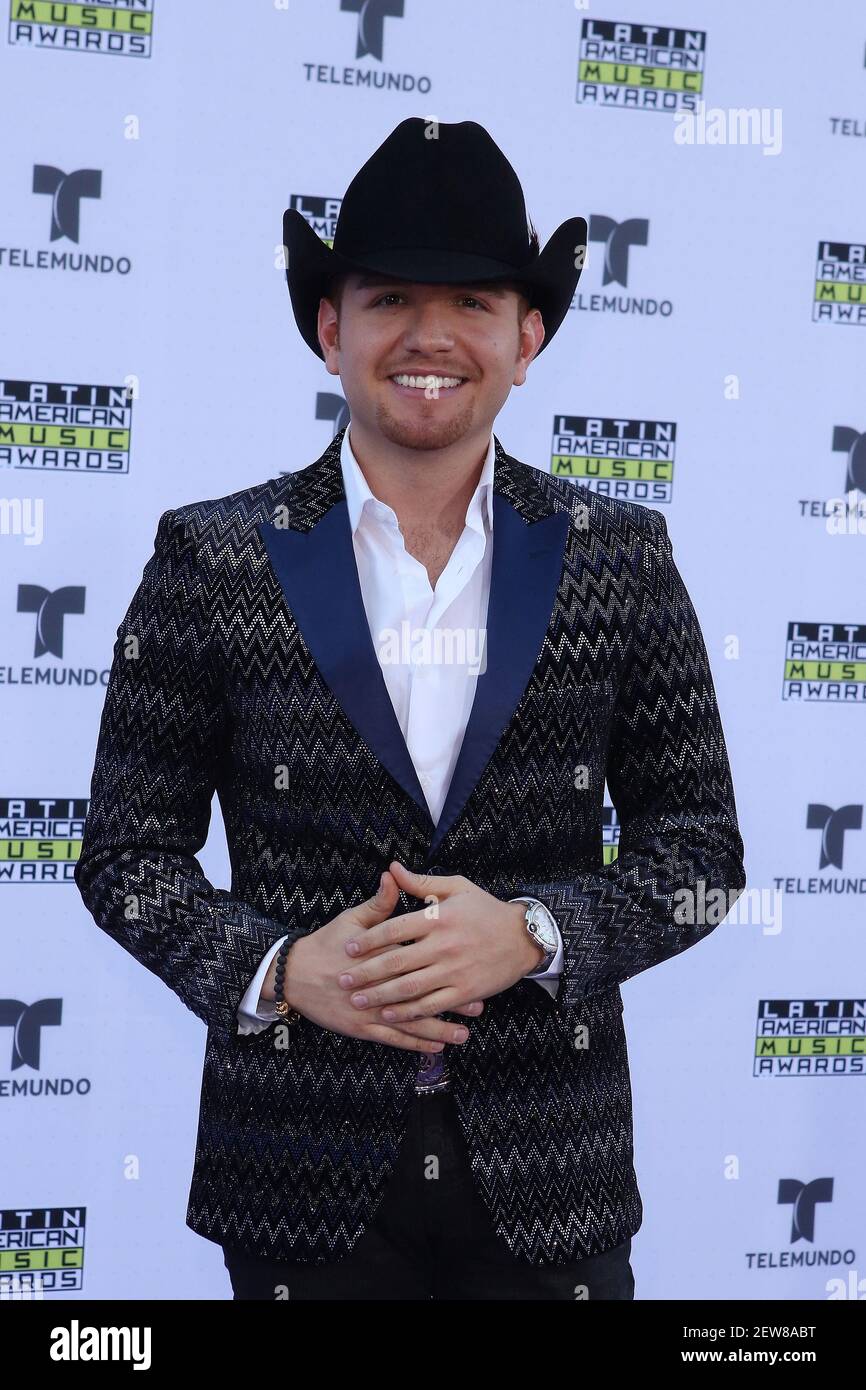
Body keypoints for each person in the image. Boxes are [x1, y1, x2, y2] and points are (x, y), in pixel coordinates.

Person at [74, 117, 746, 1301]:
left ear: (527, 337)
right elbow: (127, 856)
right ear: (329, 329)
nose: (429, 338)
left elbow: (699, 848)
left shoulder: (620, 557)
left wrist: (532, 935)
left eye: (473, 303)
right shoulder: (211, 556)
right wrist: (281, 968)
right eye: (388, 299)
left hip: (551, 1176)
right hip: (297, 1173)